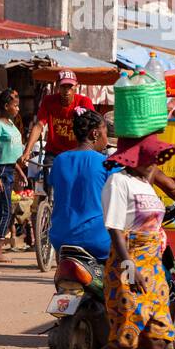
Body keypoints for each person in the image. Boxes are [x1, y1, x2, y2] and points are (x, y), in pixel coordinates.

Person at [55, 134, 175, 349]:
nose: (155, 164)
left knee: (157, 337)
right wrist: (130, 266)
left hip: (153, 267)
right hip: (128, 264)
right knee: (127, 337)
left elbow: (167, 193)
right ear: (136, 159)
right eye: (151, 158)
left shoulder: (145, 182)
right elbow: (116, 229)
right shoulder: (119, 183)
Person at [47, 110, 111, 260]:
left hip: (60, 239)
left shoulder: (59, 160)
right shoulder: (106, 163)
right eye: (105, 133)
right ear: (95, 134)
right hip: (96, 240)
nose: (106, 140)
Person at [0, 88, 27, 261]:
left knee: (2, 209)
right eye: (15, 106)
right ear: (6, 106)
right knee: (7, 210)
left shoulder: (11, 125)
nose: (18, 109)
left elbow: (9, 156)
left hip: (9, 170)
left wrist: (20, 172)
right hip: (0, 171)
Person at [22, 69, 96, 167]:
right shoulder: (48, 100)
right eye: (63, 86)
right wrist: (27, 151)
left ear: (76, 86)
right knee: (50, 181)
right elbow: (39, 125)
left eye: (70, 86)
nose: (67, 91)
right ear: (57, 86)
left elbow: (93, 127)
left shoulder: (84, 102)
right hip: (53, 153)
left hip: (77, 152)